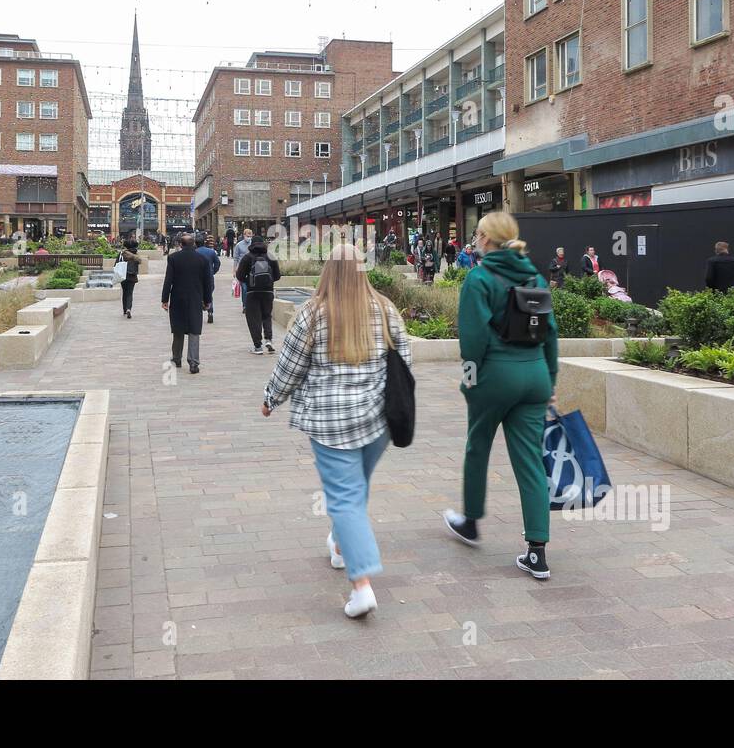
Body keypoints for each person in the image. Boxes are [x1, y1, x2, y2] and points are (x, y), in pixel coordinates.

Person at [262, 244, 412, 619]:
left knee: (345, 496)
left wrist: (270, 398)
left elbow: (290, 366)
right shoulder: (385, 309)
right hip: (378, 423)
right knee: (353, 490)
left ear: (328, 272)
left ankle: (361, 586)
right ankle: (341, 545)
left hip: (331, 424)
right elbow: (404, 365)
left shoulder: (311, 314)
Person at [444, 211, 559, 581]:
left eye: (477, 234)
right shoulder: (535, 275)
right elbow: (550, 333)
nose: (474, 239)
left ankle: (471, 522)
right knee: (530, 461)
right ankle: (537, 551)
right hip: (535, 377)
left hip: (494, 376)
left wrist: (469, 379)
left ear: (488, 240)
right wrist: (550, 381)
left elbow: (472, 339)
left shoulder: (479, 277)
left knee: (477, 446)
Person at [161, 233, 213, 374]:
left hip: (178, 298)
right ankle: (193, 363)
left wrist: (164, 299)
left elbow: (168, 280)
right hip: (196, 298)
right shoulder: (202, 259)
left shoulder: (173, 258)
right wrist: (207, 300)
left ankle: (177, 358)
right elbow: (207, 283)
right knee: (194, 330)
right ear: (193, 244)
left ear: (181, 244)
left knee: (178, 329)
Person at [236, 234, 281, 354]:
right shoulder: (270, 257)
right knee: (266, 315)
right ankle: (269, 340)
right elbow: (277, 276)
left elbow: (239, 276)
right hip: (268, 292)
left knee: (253, 318)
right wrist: (268, 281)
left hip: (252, 293)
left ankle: (258, 346)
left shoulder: (247, 257)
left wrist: (250, 282)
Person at [196, 233, 222, 325]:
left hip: (197, 278)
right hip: (209, 277)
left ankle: (197, 314)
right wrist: (213, 272)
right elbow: (218, 263)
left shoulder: (194, 252)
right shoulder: (211, 252)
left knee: (197, 296)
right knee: (209, 295)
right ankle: (210, 311)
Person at [117, 239, 141, 318]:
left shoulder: (122, 253)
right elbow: (138, 263)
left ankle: (124, 310)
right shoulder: (136, 255)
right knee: (130, 293)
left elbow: (116, 263)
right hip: (132, 276)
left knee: (124, 292)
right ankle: (128, 309)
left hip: (123, 275)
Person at [233, 228, 254, 303]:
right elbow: (235, 258)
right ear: (244, 235)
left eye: (250, 236)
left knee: (250, 288)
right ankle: (245, 305)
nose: (249, 238)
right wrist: (234, 270)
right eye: (247, 236)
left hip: (251, 268)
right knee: (244, 288)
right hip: (241, 269)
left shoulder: (253, 244)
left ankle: (249, 303)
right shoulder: (239, 245)